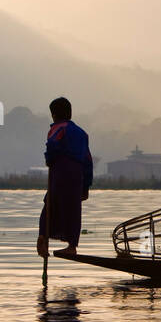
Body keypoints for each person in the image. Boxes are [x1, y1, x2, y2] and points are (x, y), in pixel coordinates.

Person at [37, 97, 94, 257]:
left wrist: (49, 159)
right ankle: (72, 246)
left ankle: (43, 237)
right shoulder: (82, 133)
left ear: (54, 115)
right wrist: (86, 186)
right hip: (77, 175)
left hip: (61, 172)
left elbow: (52, 146)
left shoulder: (57, 128)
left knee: (50, 203)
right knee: (73, 208)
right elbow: (88, 160)